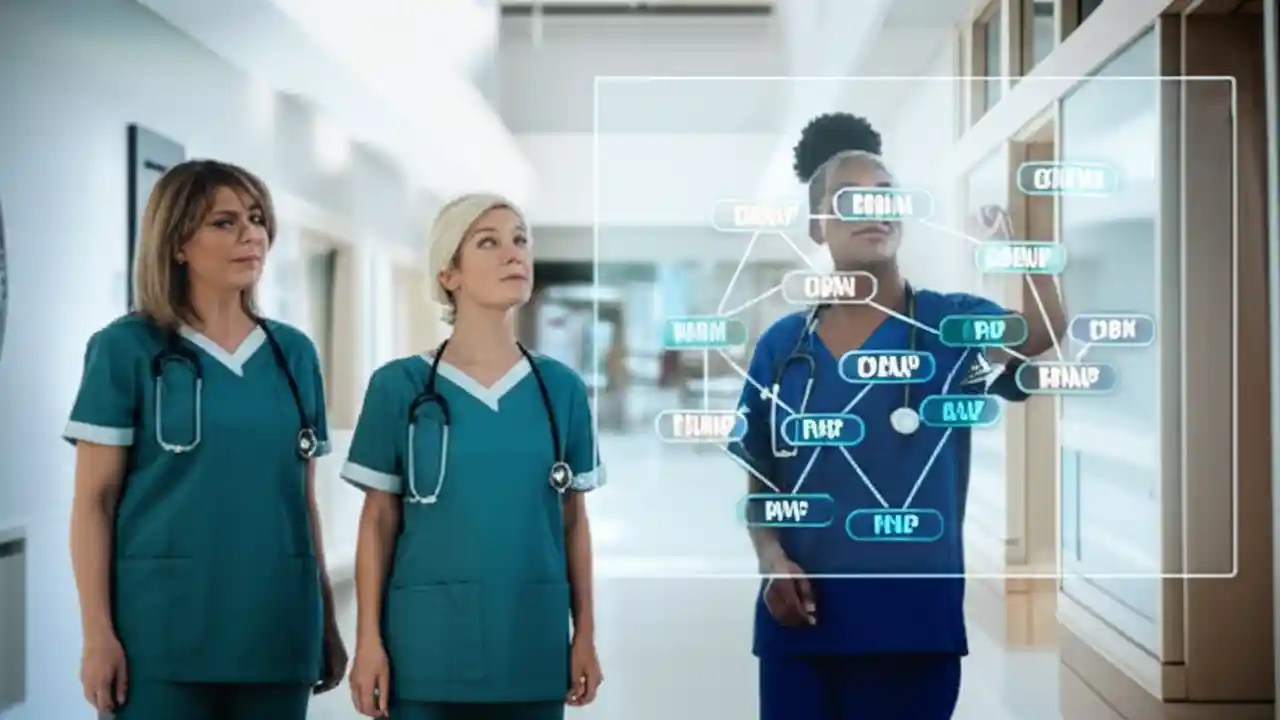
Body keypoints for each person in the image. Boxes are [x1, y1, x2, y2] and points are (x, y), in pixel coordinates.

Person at [729, 113, 1067, 719]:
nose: (875, 210)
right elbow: (760, 479)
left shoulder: (947, 324)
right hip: (800, 624)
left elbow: (1045, 329)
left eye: (887, 197)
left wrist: (1015, 245)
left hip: (913, 625)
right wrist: (769, 558)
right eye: (852, 198)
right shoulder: (783, 346)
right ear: (817, 226)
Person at [65, 159, 348, 718]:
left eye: (256, 218)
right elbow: (93, 503)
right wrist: (97, 634)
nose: (251, 234)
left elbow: (301, 500)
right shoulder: (125, 349)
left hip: (277, 629)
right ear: (177, 244)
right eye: (224, 222)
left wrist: (326, 619)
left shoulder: (293, 355)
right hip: (160, 635)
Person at [344, 193, 605, 720]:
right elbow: (378, 522)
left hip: (530, 644)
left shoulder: (561, 390)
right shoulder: (399, 386)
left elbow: (573, 522)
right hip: (424, 649)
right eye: (489, 242)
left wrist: (585, 635)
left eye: (520, 240)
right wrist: (368, 641)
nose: (514, 254)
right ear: (449, 274)